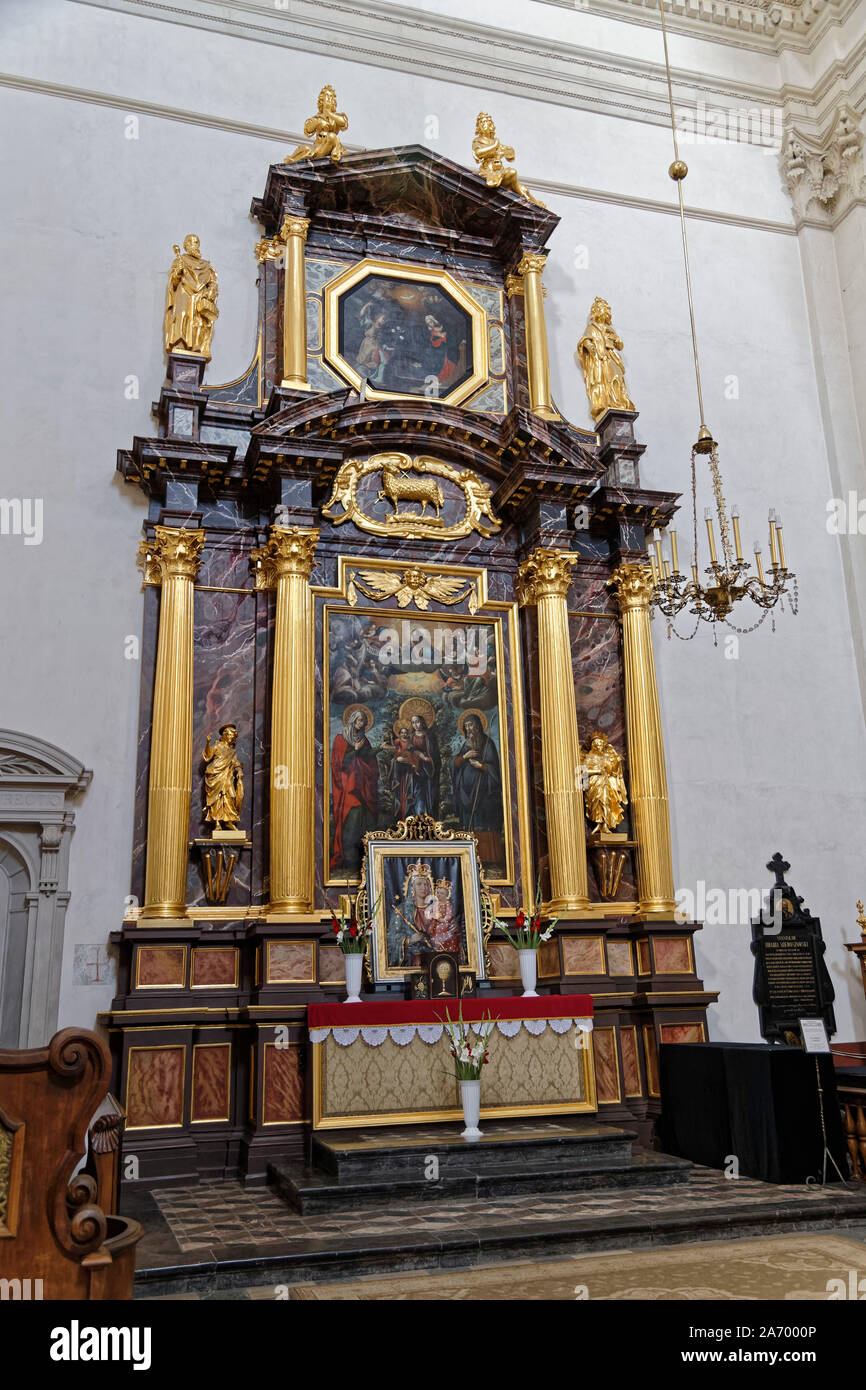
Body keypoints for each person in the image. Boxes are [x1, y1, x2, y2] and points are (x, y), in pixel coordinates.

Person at [330, 707, 378, 873]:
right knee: (351, 817)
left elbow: (368, 756)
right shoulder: (341, 738)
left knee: (363, 820)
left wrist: (380, 748)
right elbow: (340, 763)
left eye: (363, 720)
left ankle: (361, 858)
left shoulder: (363, 739)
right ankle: (348, 857)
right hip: (348, 788)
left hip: (362, 786)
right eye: (359, 720)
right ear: (353, 720)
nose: (361, 723)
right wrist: (355, 750)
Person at [452, 712, 501, 832]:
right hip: (465, 791)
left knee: (480, 826)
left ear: (477, 726)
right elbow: (455, 763)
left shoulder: (488, 743)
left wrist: (482, 766)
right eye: (466, 726)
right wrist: (465, 756)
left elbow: (494, 768)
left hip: (481, 791)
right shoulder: (466, 744)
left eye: (470, 725)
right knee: (467, 827)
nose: (468, 729)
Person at [201, 724, 243, 830]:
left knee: (231, 796)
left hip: (227, 776)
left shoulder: (232, 751)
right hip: (215, 774)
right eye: (230, 735)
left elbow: (236, 763)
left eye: (233, 737)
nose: (231, 738)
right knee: (217, 798)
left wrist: (239, 770)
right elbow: (208, 756)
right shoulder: (217, 745)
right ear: (225, 735)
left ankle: (229, 820)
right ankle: (217, 822)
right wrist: (207, 743)